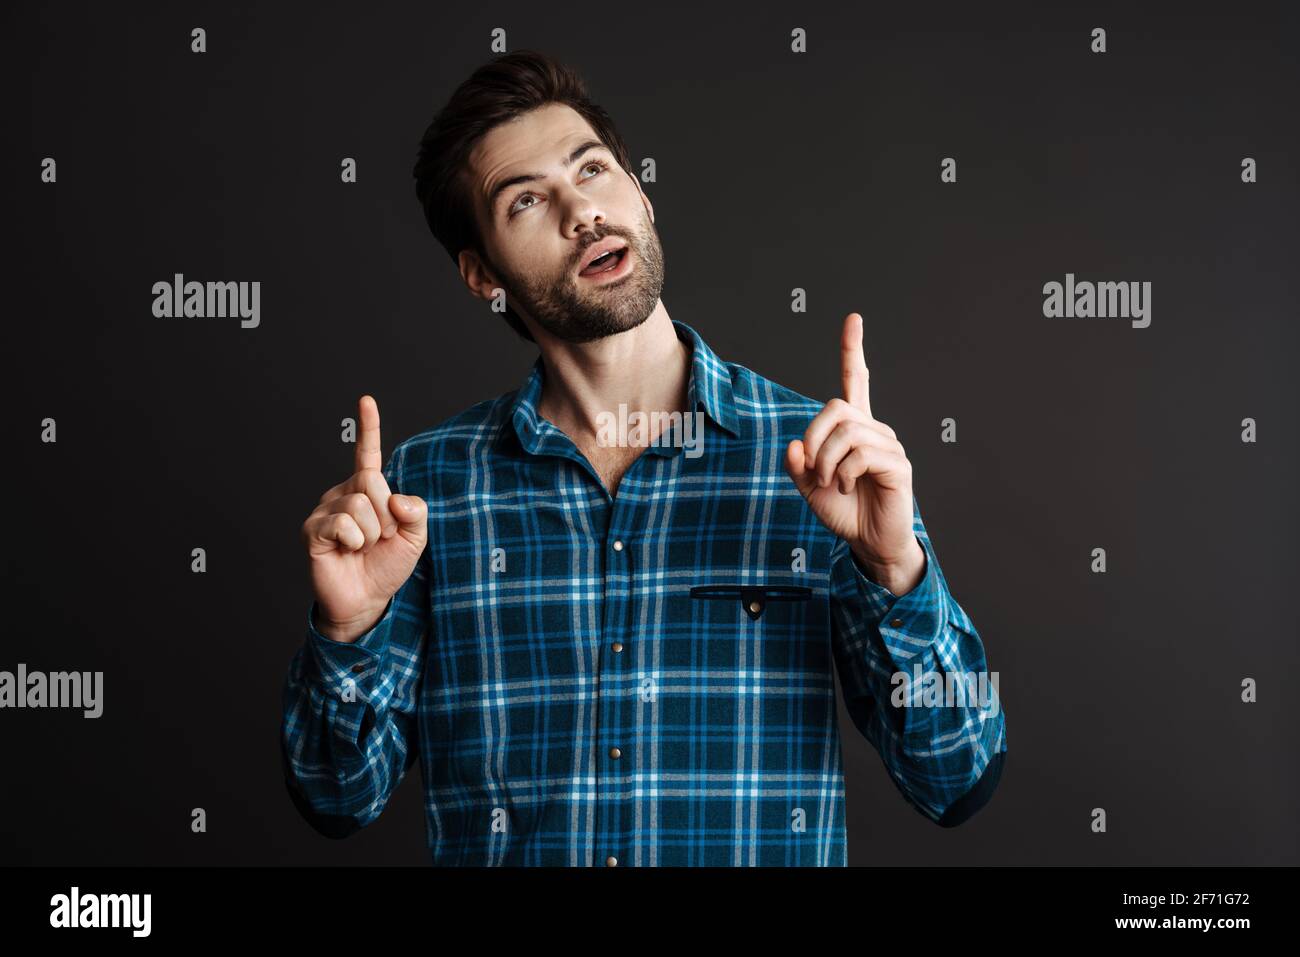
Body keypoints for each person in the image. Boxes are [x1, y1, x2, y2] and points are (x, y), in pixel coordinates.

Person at [281, 49, 1006, 866]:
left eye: (592, 169)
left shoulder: (821, 460)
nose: (581, 211)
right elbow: (337, 796)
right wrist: (347, 630)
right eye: (527, 200)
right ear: (481, 274)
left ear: (641, 194)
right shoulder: (417, 497)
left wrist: (896, 567)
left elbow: (958, 774)